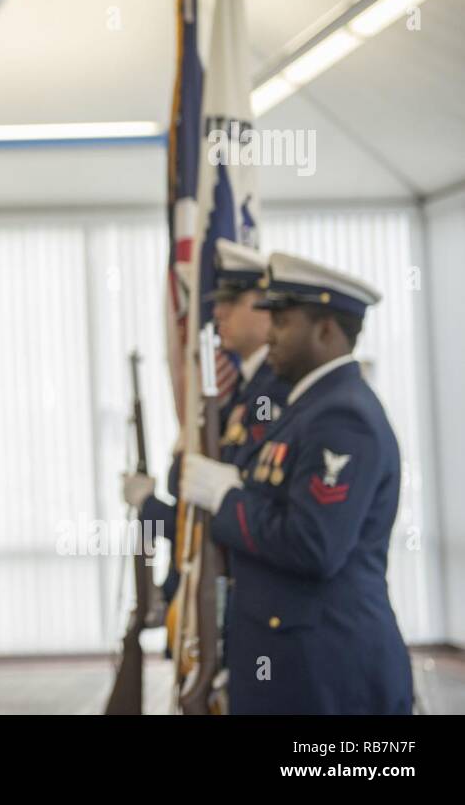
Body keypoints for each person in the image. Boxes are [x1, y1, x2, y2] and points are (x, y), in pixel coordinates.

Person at [181, 252, 414, 714]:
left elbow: (312, 544)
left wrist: (227, 498)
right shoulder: (307, 409)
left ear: (326, 330)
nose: (270, 337)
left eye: (283, 323)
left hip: (326, 666)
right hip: (289, 658)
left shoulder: (343, 416)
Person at [123, 240, 291, 610]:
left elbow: (240, 508)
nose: (216, 313)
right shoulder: (246, 390)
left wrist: (152, 507)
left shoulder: (269, 395)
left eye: (232, 301)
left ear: (265, 307)